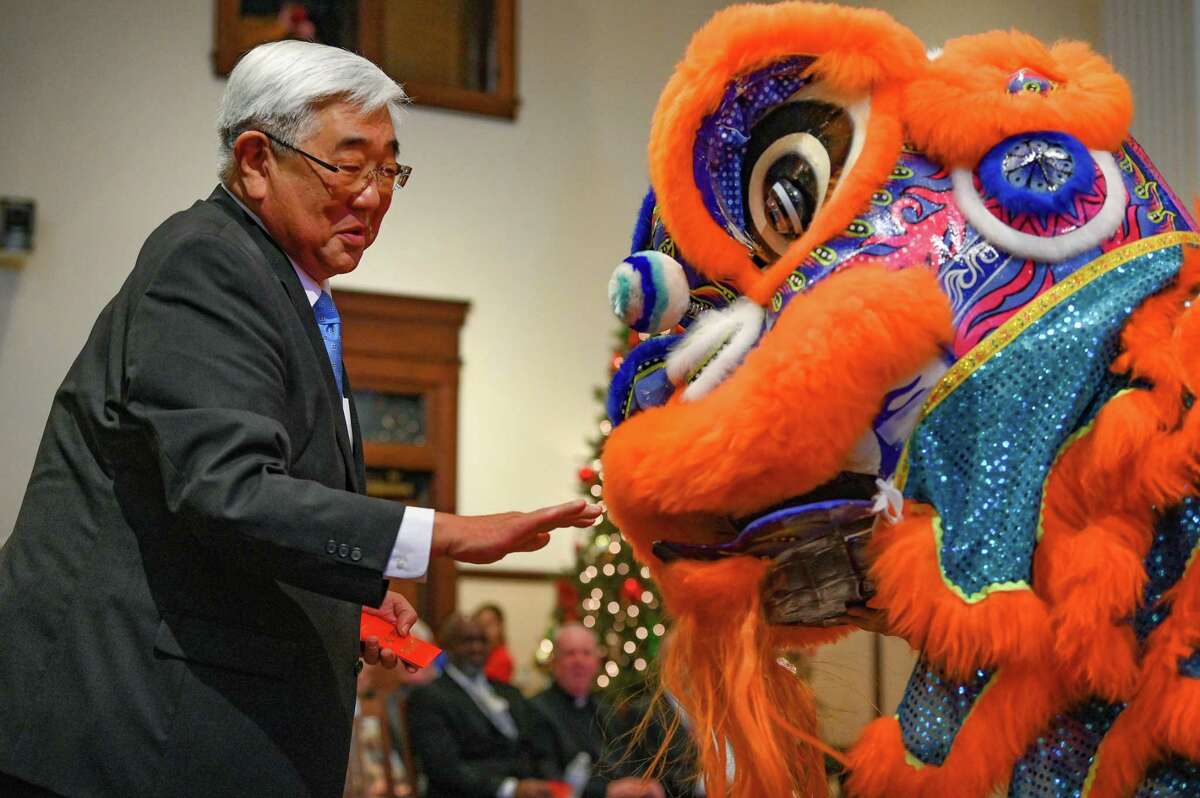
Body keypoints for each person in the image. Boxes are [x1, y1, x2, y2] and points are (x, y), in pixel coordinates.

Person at [0, 40, 598, 798]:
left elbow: (230, 522)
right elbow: (228, 489)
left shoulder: (283, 286)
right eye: (350, 164)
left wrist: (350, 594)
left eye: (390, 169)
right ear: (256, 160)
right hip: (122, 736)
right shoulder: (207, 261)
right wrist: (444, 533)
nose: (377, 196)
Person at [406, 615, 561, 798]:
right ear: (448, 647)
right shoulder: (430, 697)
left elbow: (535, 744)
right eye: (467, 641)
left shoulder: (509, 692)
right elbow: (444, 768)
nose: (476, 648)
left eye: (482, 640)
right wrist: (510, 789)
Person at [531, 624, 668, 798]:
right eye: (570, 653)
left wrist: (643, 783)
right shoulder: (537, 710)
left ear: (596, 663)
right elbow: (546, 777)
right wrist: (605, 791)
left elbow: (627, 760)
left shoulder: (603, 708)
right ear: (555, 662)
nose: (579, 661)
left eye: (586, 653)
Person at [473, 602, 515, 683]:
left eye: (489, 624)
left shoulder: (502, 659)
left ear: (500, 627)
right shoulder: (473, 653)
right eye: (480, 624)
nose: (483, 629)